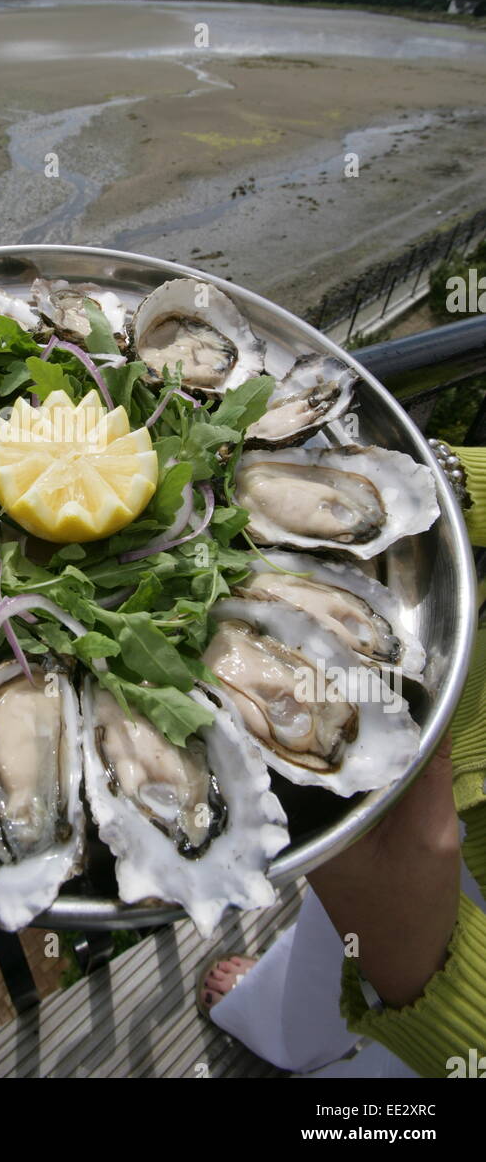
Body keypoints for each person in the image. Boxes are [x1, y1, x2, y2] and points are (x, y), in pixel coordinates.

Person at [198, 443, 486, 1078]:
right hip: (441, 766)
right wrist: (454, 481)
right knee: (332, 938)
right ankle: (283, 1019)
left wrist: (432, 983)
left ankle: (307, 1041)